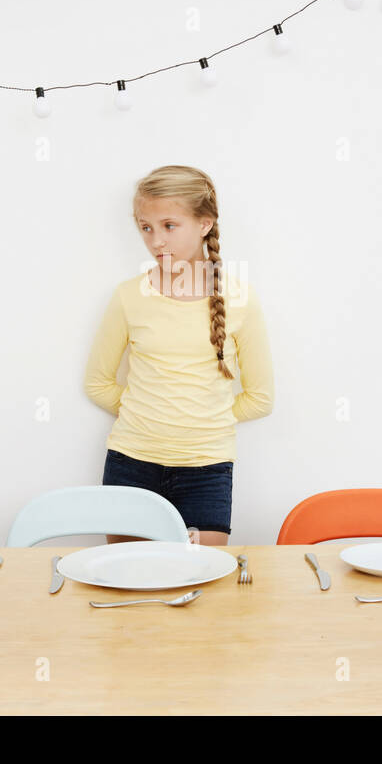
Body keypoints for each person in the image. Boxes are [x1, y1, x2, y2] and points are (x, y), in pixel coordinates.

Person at [83, 165, 274, 546]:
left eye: (169, 226)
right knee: (129, 577)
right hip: (131, 464)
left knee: (201, 578)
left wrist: (199, 420)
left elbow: (260, 398)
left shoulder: (240, 299)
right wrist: (151, 414)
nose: (156, 241)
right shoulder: (128, 296)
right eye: (146, 227)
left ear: (205, 223)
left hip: (207, 470)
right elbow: (97, 383)